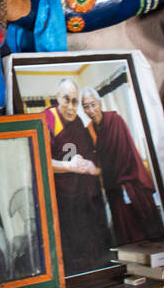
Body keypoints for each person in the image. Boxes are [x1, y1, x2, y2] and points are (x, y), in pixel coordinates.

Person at [43, 79, 112, 274]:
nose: (71, 107)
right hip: (64, 201)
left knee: (95, 244)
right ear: (57, 97)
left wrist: (91, 167)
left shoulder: (78, 121)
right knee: (73, 249)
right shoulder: (48, 119)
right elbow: (40, 160)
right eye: (67, 99)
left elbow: (89, 153)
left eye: (75, 101)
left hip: (86, 196)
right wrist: (69, 166)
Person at [81, 87, 164, 243]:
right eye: (86, 106)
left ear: (100, 102)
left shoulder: (114, 120)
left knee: (148, 231)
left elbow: (126, 152)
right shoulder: (89, 131)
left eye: (93, 104)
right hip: (113, 186)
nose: (91, 110)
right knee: (126, 234)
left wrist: (119, 178)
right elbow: (95, 159)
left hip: (131, 180)